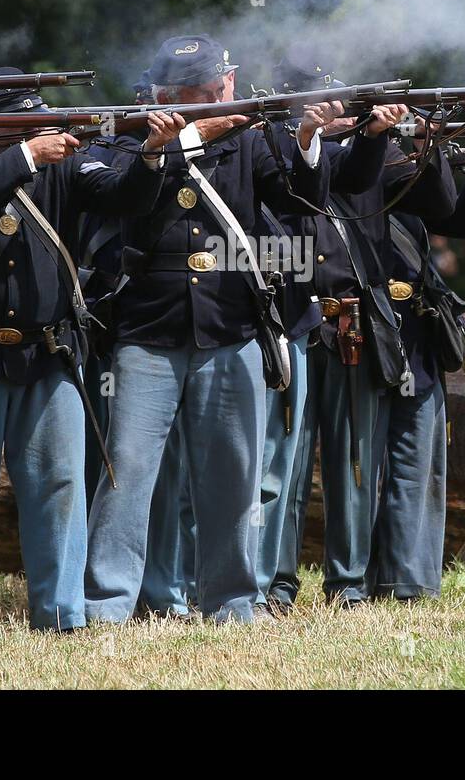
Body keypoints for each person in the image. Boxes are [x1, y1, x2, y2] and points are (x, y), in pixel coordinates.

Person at [84, 33, 344, 625]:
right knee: (127, 470)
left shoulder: (250, 140)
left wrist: (306, 138)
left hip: (228, 326)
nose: (230, 86)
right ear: (178, 95)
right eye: (214, 86)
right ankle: (107, 602)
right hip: (149, 330)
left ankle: (231, 602)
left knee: (234, 472)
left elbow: (303, 199)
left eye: (222, 82)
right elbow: (121, 198)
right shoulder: (132, 140)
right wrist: (178, 141)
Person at [0, 71, 169, 632]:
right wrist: (29, 154)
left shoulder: (69, 164)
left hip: (48, 351)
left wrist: (151, 153)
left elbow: (122, 196)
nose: (46, 127)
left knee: (60, 484)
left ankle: (61, 612)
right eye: (29, 122)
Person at [274, 63, 461, 611]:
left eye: (342, 106)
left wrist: (431, 145)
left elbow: (443, 206)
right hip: (290, 325)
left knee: (354, 464)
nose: (337, 115)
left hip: (352, 328)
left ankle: (349, 583)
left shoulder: (368, 159)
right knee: (284, 465)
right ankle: (278, 583)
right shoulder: (275, 158)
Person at [370, 153, 465, 600]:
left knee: (417, 465)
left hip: (416, 330)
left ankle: (409, 582)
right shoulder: (339, 164)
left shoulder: (408, 167)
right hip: (356, 332)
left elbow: (457, 221)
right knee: (357, 469)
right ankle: (353, 581)